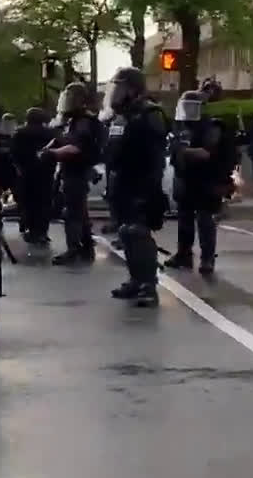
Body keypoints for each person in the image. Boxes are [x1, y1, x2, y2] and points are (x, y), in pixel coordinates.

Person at [103, 67, 168, 308]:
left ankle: (148, 285)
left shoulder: (149, 113)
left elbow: (153, 156)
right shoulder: (122, 116)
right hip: (121, 182)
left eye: (121, 87)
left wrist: (147, 189)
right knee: (125, 233)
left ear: (133, 89)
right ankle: (135, 279)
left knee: (139, 233)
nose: (116, 93)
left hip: (141, 183)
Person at [165, 90, 236, 277]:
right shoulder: (180, 127)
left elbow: (206, 153)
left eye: (191, 107)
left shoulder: (212, 127)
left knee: (205, 220)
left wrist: (183, 151)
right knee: (184, 220)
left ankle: (207, 259)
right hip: (186, 179)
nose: (187, 111)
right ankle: (183, 255)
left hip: (207, 180)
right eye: (184, 106)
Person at [43, 82, 102, 266]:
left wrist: (50, 154)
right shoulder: (74, 121)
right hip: (72, 171)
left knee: (72, 212)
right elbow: (63, 139)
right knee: (79, 211)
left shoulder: (83, 121)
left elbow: (76, 147)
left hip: (76, 171)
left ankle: (74, 249)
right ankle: (85, 247)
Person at [11, 108, 54, 245]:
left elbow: (13, 153)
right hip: (45, 173)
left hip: (26, 173)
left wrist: (18, 168)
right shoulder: (50, 134)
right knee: (44, 203)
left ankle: (30, 229)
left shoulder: (20, 133)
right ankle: (42, 232)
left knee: (28, 202)